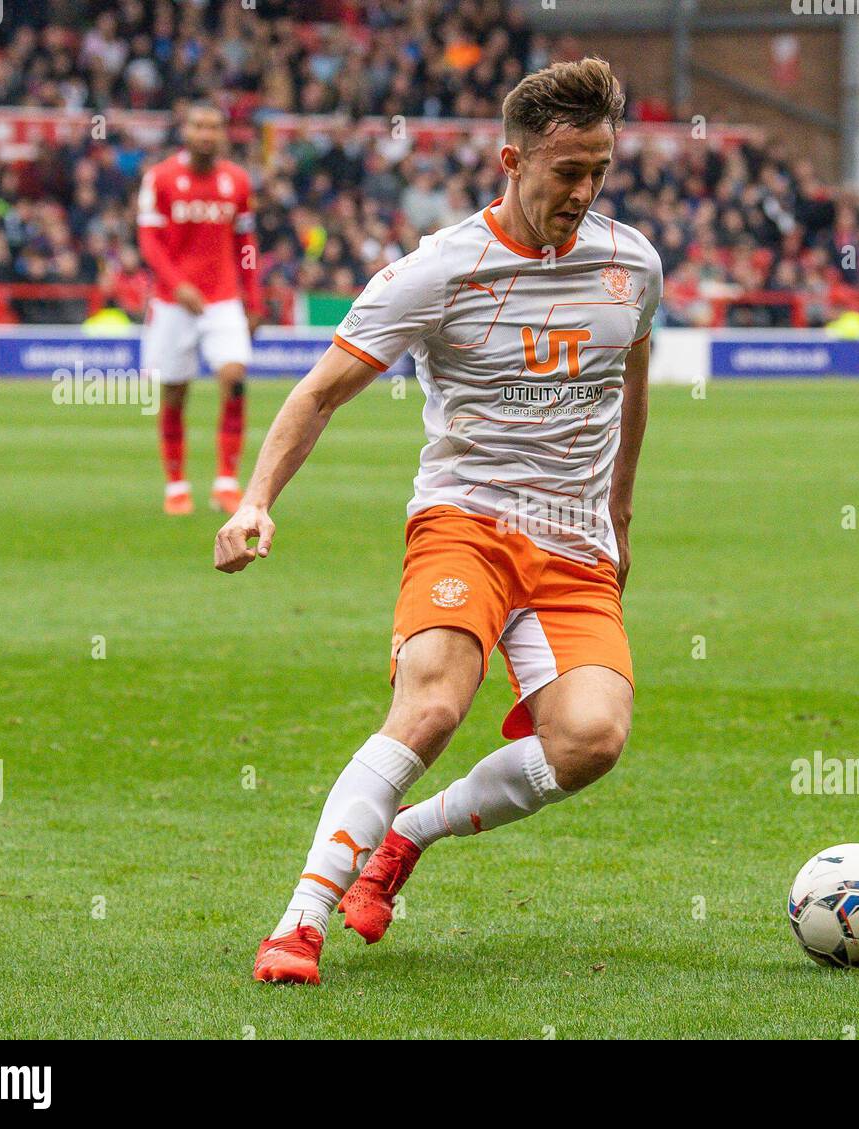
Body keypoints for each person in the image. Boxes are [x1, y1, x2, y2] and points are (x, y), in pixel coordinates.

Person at [213, 58, 663, 986]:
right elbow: (320, 392)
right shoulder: (439, 270)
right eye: (566, 171)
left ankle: (406, 836)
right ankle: (299, 923)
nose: (584, 191)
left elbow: (633, 384)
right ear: (512, 159)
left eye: (600, 171)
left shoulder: (632, 266)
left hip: (576, 541)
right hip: (468, 521)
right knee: (432, 707)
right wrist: (255, 499)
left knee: (591, 740)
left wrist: (619, 516)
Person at [137, 104, 262, 516]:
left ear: (223, 133)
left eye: (213, 127)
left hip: (223, 300)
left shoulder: (237, 181)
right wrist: (178, 284)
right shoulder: (160, 178)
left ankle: (226, 481)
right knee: (175, 391)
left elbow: (246, 247)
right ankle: (176, 485)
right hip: (174, 303)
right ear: (185, 130)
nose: (206, 134)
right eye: (199, 126)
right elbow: (149, 243)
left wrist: (254, 298)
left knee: (234, 377)